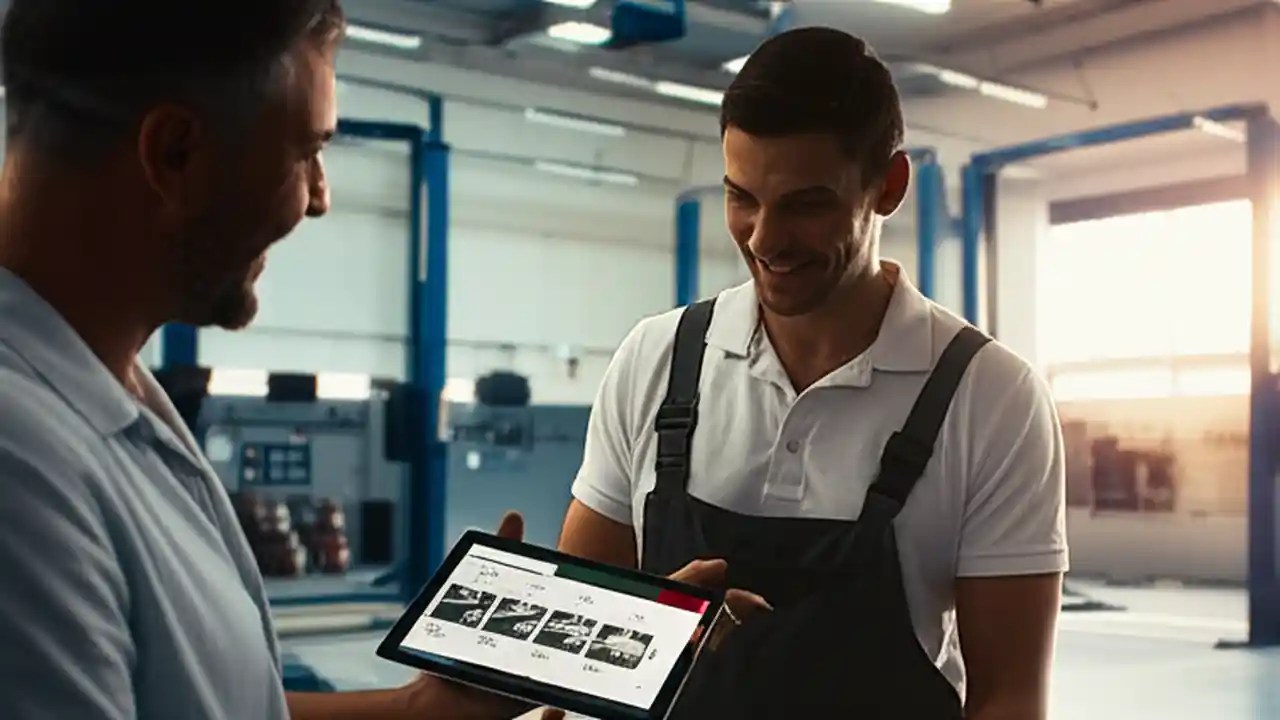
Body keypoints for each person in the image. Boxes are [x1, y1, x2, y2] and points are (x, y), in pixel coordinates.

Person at [0, 2, 574, 718]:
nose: (320, 199)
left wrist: (424, 710)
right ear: (175, 154)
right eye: (306, 153)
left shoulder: (108, 390)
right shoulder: (21, 466)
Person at [558, 27, 1068, 720]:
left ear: (887, 186)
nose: (765, 239)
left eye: (805, 205)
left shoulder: (991, 398)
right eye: (741, 197)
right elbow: (574, 646)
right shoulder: (656, 359)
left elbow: (1008, 698)